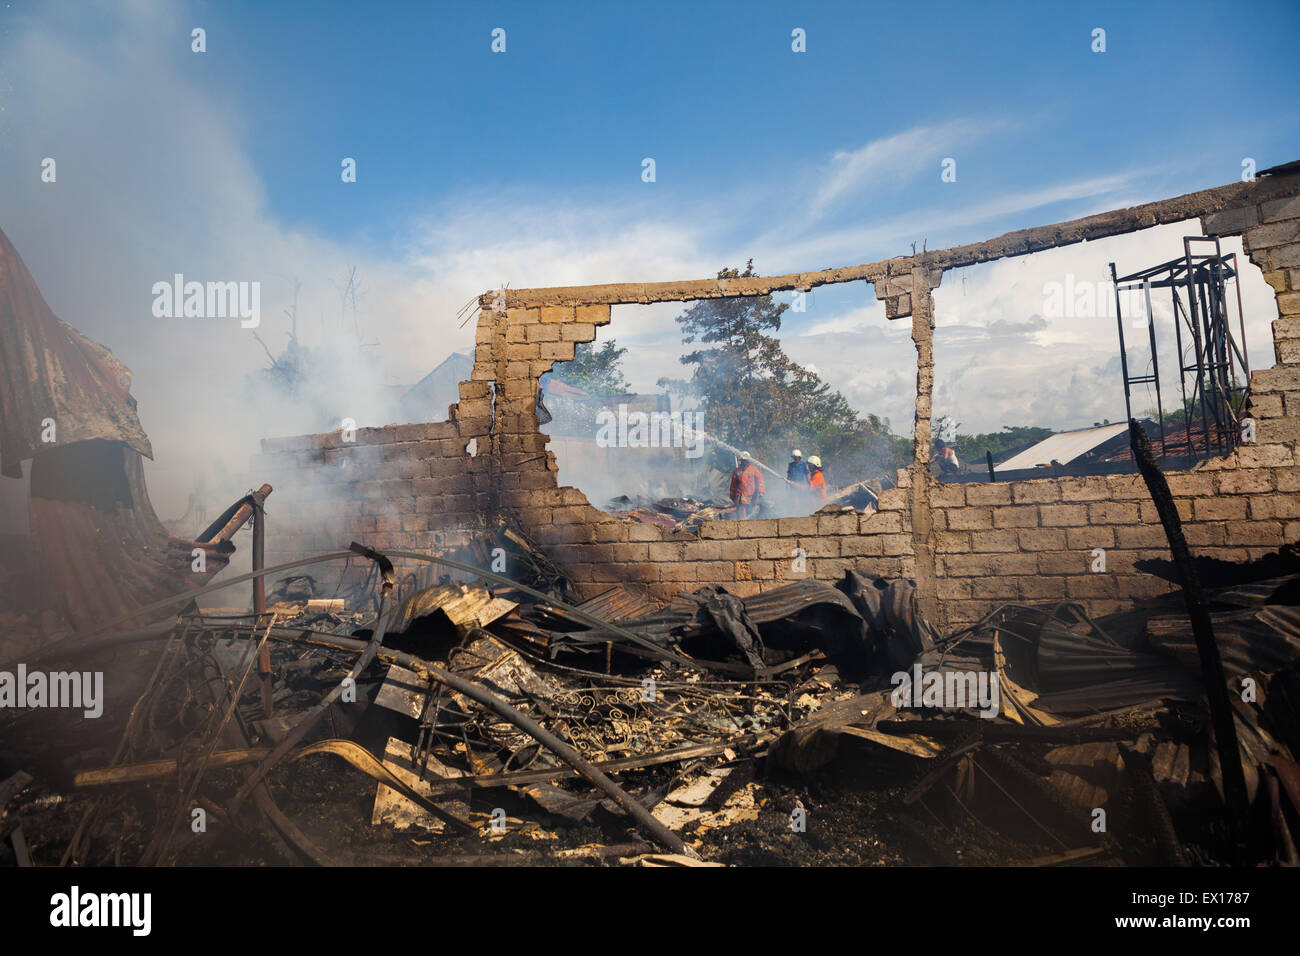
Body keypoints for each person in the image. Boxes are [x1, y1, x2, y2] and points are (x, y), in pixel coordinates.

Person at [729, 451, 766, 519]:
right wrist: (732, 496)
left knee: (752, 516)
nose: (744, 462)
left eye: (745, 461)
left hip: (752, 499)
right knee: (741, 517)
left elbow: (760, 481)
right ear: (740, 461)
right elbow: (733, 485)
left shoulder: (754, 470)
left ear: (749, 461)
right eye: (743, 461)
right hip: (740, 500)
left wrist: (761, 491)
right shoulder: (737, 471)